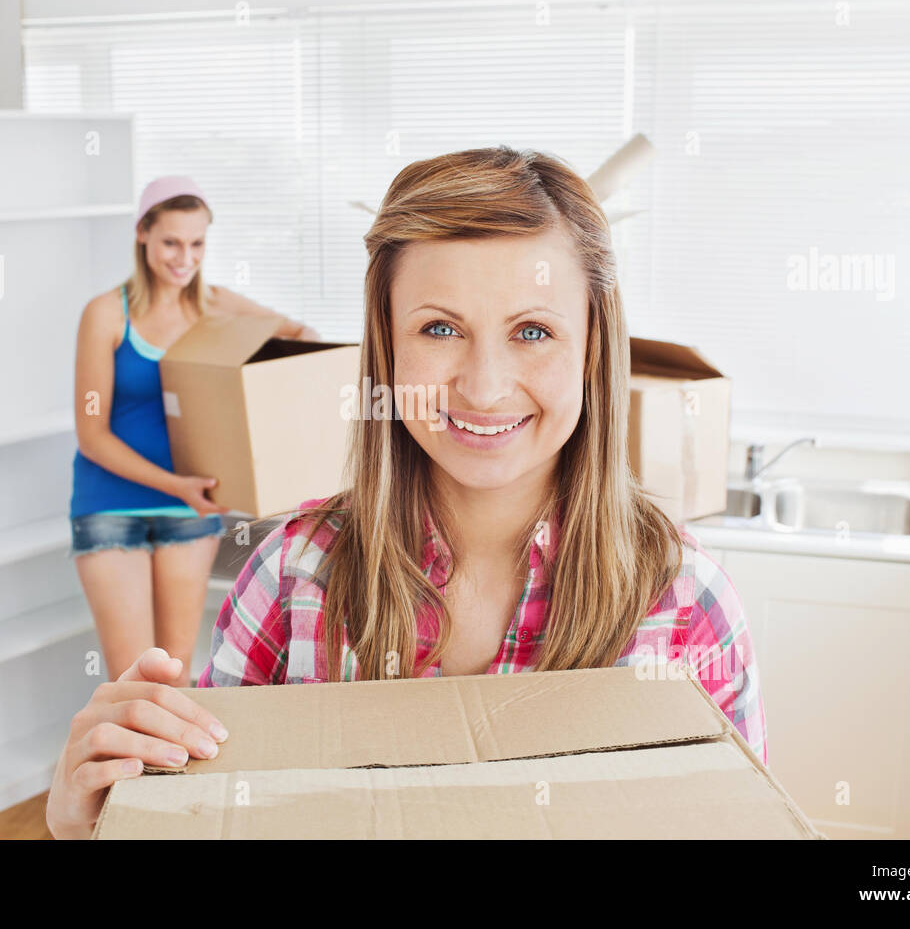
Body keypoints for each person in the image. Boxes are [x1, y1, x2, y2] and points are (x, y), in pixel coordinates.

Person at [47, 147, 766, 839]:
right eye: (440, 327)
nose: (483, 387)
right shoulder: (293, 579)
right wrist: (98, 825)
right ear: (386, 349)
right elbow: (211, 819)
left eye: (534, 331)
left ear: (593, 351)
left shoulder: (685, 606)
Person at [68, 175, 321, 684]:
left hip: (190, 507)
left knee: (177, 672)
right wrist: (177, 486)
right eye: (171, 242)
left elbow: (301, 334)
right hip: (112, 506)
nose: (185, 257)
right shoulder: (106, 314)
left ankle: (175, 765)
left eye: (197, 243)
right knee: (134, 679)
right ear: (143, 234)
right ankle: (129, 765)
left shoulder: (215, 306)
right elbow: (91, 435)